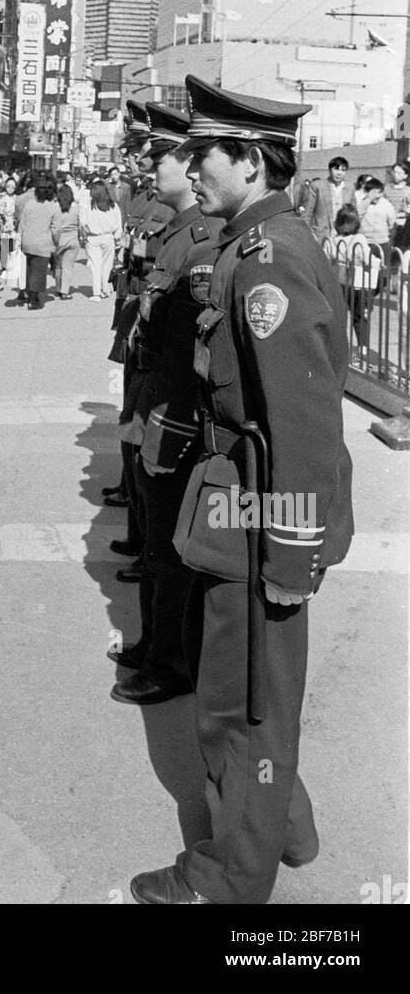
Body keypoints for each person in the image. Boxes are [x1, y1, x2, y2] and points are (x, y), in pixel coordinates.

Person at [130, 76, 353, 905]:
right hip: (242, 497)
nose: (192, 167)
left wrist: (290, 554)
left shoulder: (268, 265)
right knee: (252, 686)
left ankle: (228, 879)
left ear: (251, 162)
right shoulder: (253, 245)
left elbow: (300, 424)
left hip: (264, 510)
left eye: (204, 154)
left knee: (242, 700)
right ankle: (283, 828)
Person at [108, 104, 223, 705]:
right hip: (153, 402)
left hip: (172, 413)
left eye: (165, 158)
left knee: (171, 549)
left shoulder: (201, 242)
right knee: (157, 544)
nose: (152, 167)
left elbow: (187, 353)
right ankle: (155, 643)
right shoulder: (179, 232)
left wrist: (164, 426)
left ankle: (170, 658)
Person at [332, 203, 380, 360]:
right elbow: (367, 259)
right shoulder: (359, 239)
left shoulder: (334, 240)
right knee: (360, 317)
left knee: (340, 317)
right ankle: (363, 349)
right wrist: (378, 262)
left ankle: (338, 349)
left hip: (341, 283)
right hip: (359, 284)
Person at [17, 172, 58, 308]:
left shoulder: (29, 204)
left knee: (29, 270)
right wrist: (56, 243)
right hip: (43, 244)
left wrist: (20, 239)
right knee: (39, 272)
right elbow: (55, 229)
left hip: (27, 242)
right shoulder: (53, 207)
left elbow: (22, 224)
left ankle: (27, 294)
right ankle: (34, 300)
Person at [79, 180, 122, 301]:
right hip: (109, 238)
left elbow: (83, 223)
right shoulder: (113, 205)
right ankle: (104, 289)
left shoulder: (88, 205)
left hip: (93, 238)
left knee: (95, 266)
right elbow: (118, 224)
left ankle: (97, 293)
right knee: (107, 266)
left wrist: (84, 236)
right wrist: (117, 240)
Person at [306, 156, 348, 243]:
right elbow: (307, 211)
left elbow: (352, 214)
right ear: (329, 170)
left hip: (342, 236)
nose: (339, 173)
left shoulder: (350, 189)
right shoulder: (317, 186)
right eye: (336, 169)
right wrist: (306, 233)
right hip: (321, 234)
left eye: (343, 170)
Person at [51, 183, 81, 298]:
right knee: (68, 266)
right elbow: (81, 225)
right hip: (73, 240)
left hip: (58, 240)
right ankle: (65, 291)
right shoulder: (77, 208)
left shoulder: (55, 208)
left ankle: (58, 288)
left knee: (58, 266)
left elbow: (53, 226)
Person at [357, 177, 395, 247]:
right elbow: (357, 217)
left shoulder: (386, 203)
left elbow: (391, 221)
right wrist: (368, 199)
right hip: (365, 242)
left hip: (383, 241)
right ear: (366, 192)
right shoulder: (361, 203)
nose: (377, 195)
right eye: (374, 193)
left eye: (380, 192)